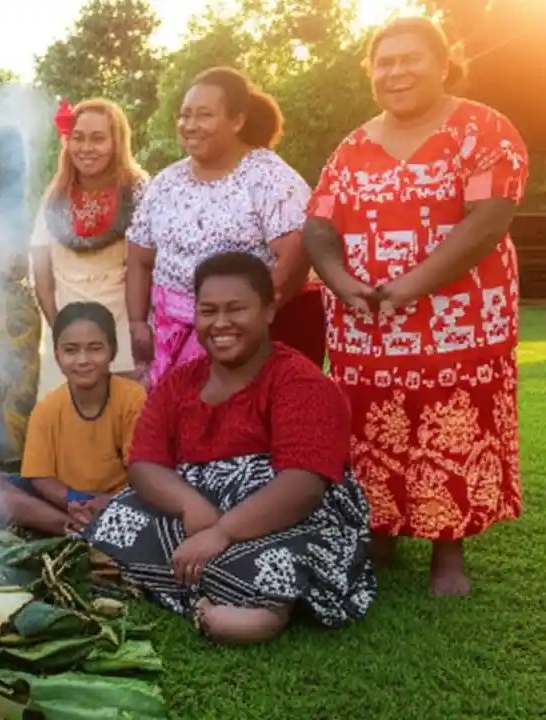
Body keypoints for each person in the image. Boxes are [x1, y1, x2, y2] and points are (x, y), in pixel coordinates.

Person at [303, 17, 528, 596]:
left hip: (458, 324)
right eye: (384, 62)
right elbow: (320, 227)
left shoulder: (485, 130)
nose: (396, 72)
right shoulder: (354, 146)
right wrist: (342, 283)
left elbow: (488, 220)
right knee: (371, 428)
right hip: (366, 326)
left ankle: (447, 554)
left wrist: (410, 286)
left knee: (450, 424)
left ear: (444, 62)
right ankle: (380, 532)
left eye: (410, 59)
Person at [85, 252, 376, 644]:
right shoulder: (178, 383)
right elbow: (145, 464)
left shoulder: (301, 384)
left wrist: (222, 532)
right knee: (121, 513)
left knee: (280, 556)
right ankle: (215, 583)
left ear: (269, 310)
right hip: (201, 515)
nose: (220, 324)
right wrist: (191, 506)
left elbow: (302, 486)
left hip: (287, 520)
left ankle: (264, 609)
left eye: (236, 309)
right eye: (208, 311)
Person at [126, 67, 325, 389]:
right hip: (167, 339)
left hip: (237, 342)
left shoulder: (269, 178)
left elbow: (296, 254)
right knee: (174, 428)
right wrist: (137, 322)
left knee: (227, 430)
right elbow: (139, 256)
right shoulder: (165, 183)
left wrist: (245, 322)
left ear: (237, 120)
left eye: (204, 115)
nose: (190, 126)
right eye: (184, 115)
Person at [32, 99, 147, 398]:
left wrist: (140, 327)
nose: (86, 148)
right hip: (68, 338)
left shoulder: (139, 191)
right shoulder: (55, 196)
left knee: (126, 426)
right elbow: (41, 268)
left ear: (116, 142)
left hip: (124, 335)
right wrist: (60, 330)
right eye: (78, 138)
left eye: (98, 138)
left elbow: (149, 264)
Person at [2, 302, 145, 536]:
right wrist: (72, 500)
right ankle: (74, 529)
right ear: (57, 355)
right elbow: (40, 476)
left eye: (94, 348)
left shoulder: (133, 398)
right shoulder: (46, 409)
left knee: (153, 501)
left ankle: (85, 529)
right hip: (67, 502)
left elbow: (143, 472)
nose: (83, 360)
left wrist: (108, 501)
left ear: (113, 350)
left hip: (120, 501)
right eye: (71, 350)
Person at [0, 127, 41, 468]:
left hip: (8, 312)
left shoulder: (15, 210)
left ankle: (11, 462)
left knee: (11, 388)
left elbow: (12, 265)